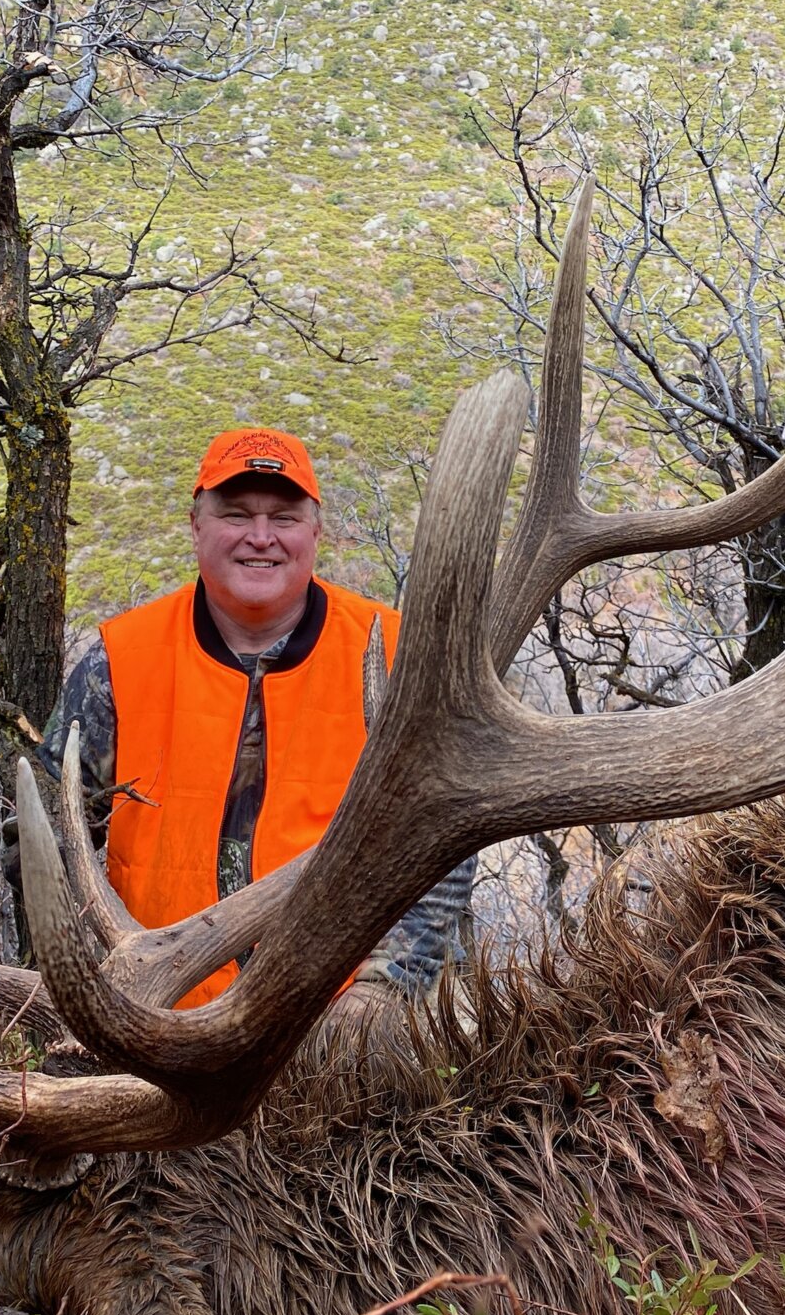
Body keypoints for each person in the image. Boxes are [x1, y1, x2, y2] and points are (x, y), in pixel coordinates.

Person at [38, 426, 473, 1010]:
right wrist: (100, 983)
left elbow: (445, 843)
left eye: (285, 518)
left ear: (316, 530)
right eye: (236, 514)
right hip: (162, 1021)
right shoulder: (118, 664)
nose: (260, 538)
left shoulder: (399, 653)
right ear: (197, 525)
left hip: (343, 1024)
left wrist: (381, 998)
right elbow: (43, 839)